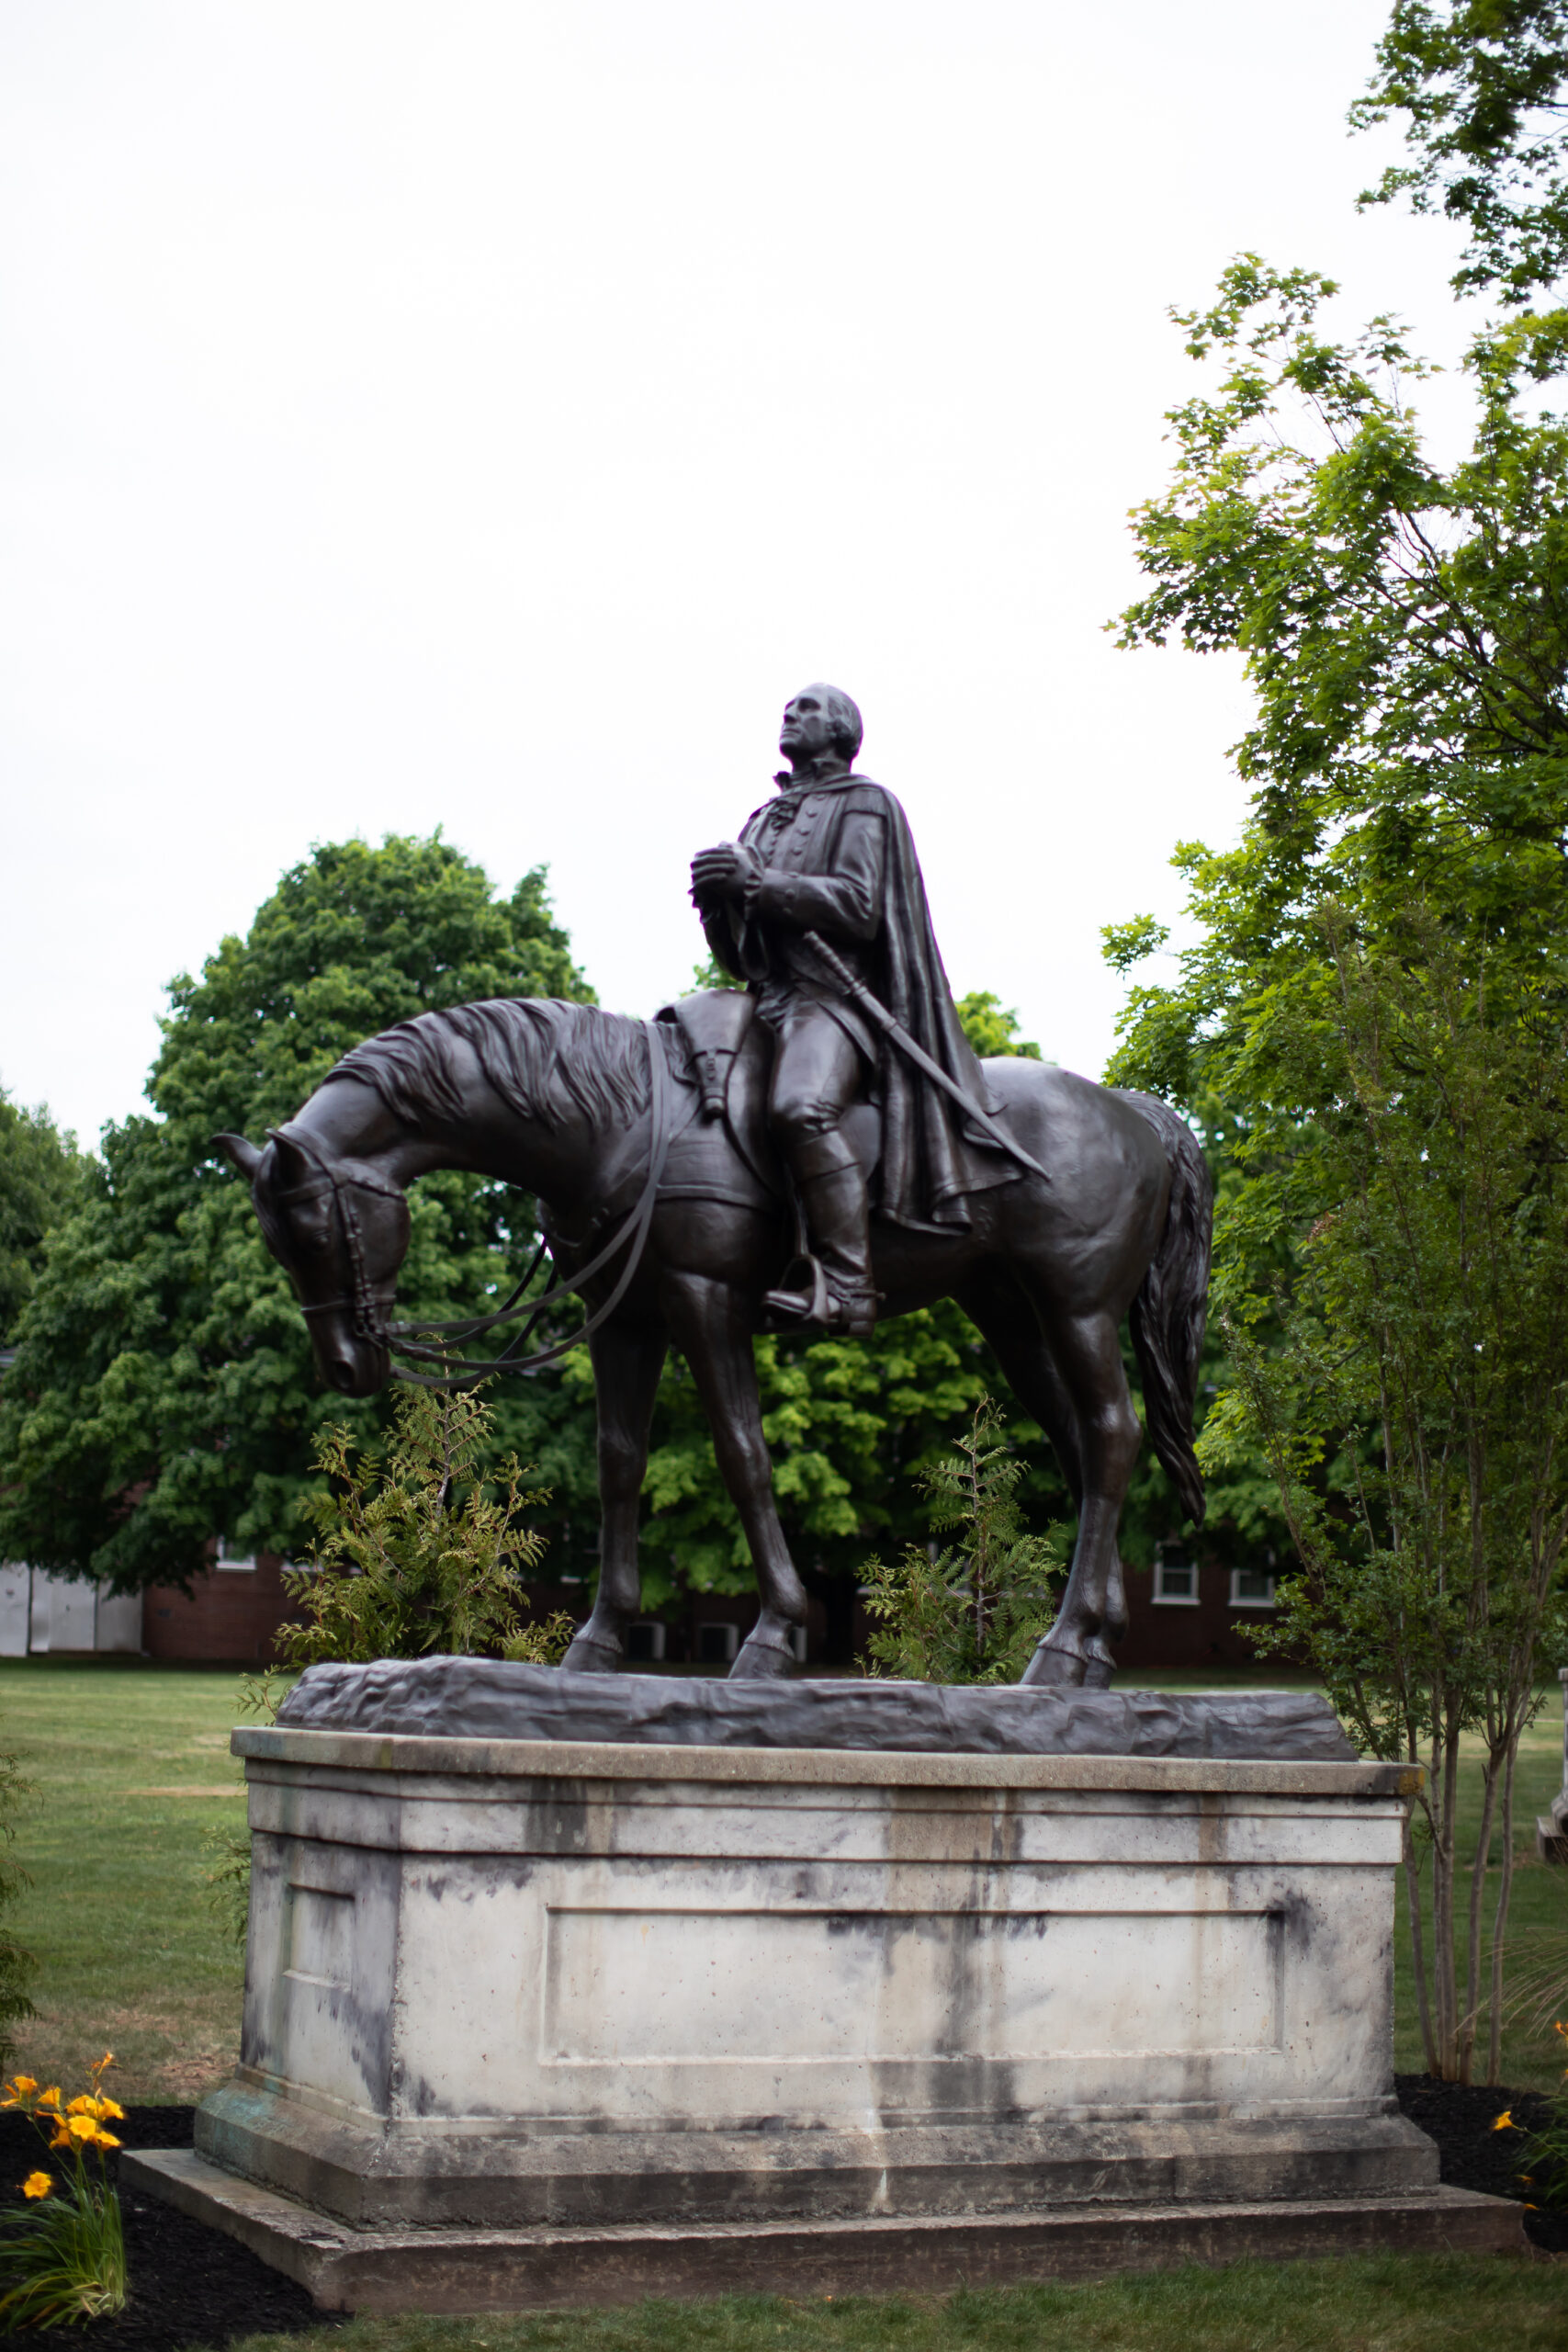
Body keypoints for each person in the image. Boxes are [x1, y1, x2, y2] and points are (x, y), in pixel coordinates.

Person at [689, 684, 1011, 1336]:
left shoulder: (865, 802)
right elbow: (742, 960)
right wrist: (717, 906)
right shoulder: (761, 819)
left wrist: (758, 884)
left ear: (840, 729)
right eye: (787, 708)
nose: (790, 714)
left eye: (807, 708)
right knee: (691, 1100)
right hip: (765, 1002)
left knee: (799, 1108)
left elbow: (861, 908)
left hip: (834, 1000)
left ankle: (847, 1284)